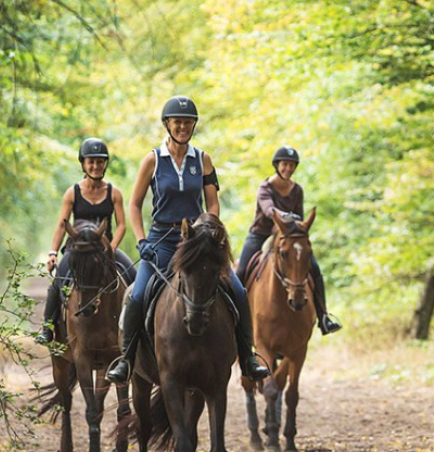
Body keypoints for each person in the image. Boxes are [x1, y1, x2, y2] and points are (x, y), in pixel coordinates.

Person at [105, 96, 270, 384]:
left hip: (197, 242)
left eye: (188, 122)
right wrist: (143, 241)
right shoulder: (153, 160)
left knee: (239, 291)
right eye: (177, 122)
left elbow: (213, 203)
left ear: (193, 125)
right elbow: (134, 205)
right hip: (162, 240)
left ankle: (247, 357)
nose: (182, 127)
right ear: (167, 124)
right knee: (137, 295)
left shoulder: (202, 159)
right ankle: (126, 360)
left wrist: (207, 228)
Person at [35, 138, 135, 344]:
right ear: (83, 164)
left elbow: (122, 225)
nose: (96, 166)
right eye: (91, 162)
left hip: (105, 249)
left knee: (133, 277)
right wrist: (53, 253)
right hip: (78, 250)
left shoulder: (113, 193)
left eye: (100, 162)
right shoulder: (73, 193)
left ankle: (136, 328)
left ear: (105, 164)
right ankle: (48, 327)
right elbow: (63, 225)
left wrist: (111, 249)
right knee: (58, 283)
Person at [235, 146, 342, 335]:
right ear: (277, 165)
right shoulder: (265, 187)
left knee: (314, 269)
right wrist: (284, 216)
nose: (288, 169)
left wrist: (296, 226)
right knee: (242, 271)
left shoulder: (297, 190)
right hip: (261, 234)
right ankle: (234, 319)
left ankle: (323, 316)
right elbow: (269, 209)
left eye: (292, 165)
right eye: (285, 164)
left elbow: (299, 218)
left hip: (290, 237)